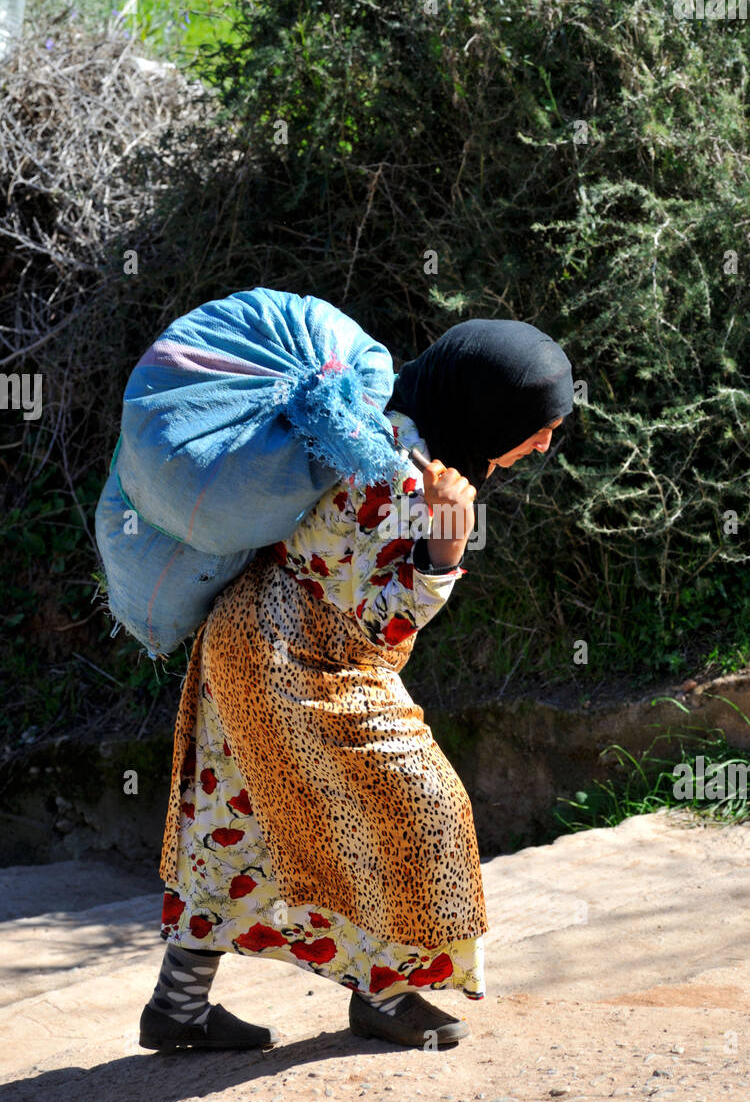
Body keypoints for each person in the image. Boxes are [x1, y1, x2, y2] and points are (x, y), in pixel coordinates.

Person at [140, 317, 574, 1053]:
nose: (542, 443)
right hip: (295, 660)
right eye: (535, 427)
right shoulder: (397, 475)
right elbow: (380, 626)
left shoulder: (383, 428)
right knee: (415, 805)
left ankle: (177, 1007)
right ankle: (385, 993)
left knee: (238, 818)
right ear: (486, 409)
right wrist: (448, 546)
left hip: (244, 639)